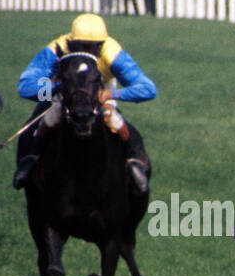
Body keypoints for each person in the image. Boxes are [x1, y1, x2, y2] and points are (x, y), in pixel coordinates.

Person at [13, 13, 155, 194]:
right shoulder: (56, 49)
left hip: (100, 88)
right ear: (72, 43)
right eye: (82, 46)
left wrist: (111, 94)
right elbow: (26, 86)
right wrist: (59, 87)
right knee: (52, 116)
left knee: (113, 120)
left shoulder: (112, 52)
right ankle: (32, 157)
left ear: (102, 44)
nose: (89, 51)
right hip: (66, 89)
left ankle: (133, 159)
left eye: (94, 47)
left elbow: (148, 88)